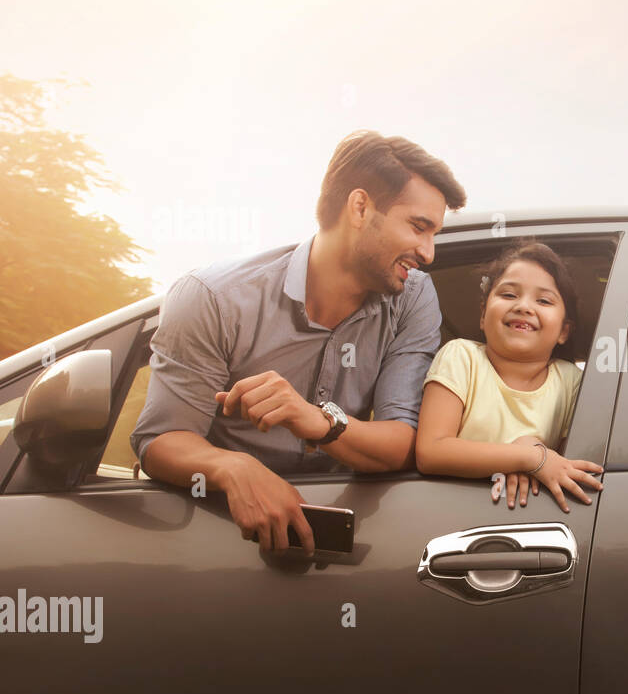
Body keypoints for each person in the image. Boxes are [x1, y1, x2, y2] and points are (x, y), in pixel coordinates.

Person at [130, 130, 467, 552]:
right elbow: (161, 439)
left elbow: (400, 443)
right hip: (212, 541)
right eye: (419, 228)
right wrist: (232, 467)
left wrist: (321, 422)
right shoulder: (213, 297)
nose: (428, 252)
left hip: (356, 546)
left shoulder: (414, 297)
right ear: (360, 207)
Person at [415, 239, 603, 513]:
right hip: (446, 510)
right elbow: (432, 452)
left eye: (543, 300)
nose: (524, 306)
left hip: (524, 516)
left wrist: (533, 458)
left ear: (564, 330)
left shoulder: (571, 381)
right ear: (482, 315)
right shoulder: (462, 357)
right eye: (509, 295)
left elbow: (564, 463)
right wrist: (529, 456)